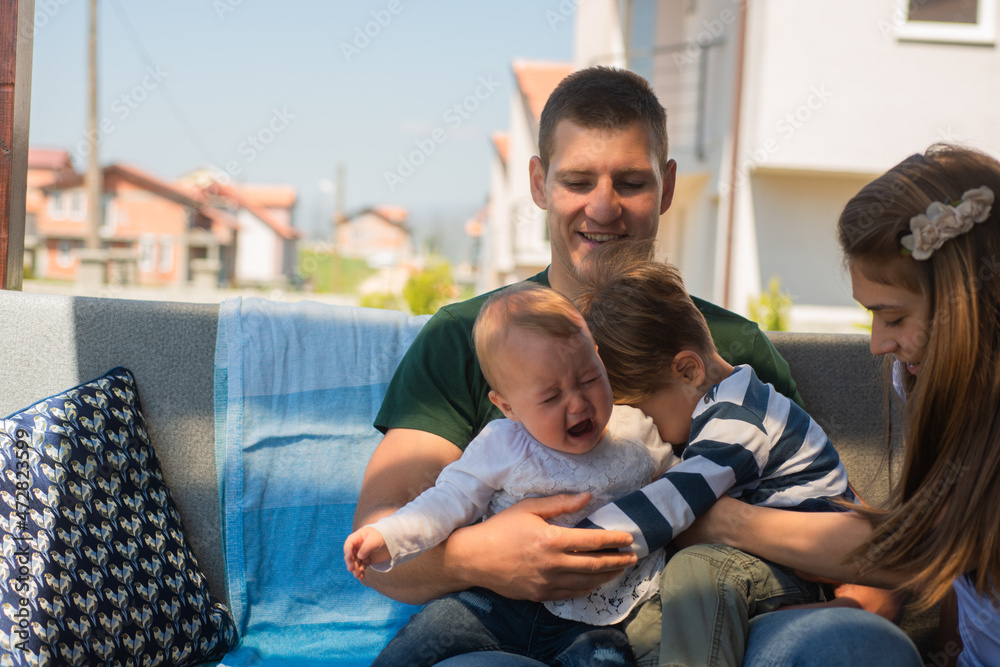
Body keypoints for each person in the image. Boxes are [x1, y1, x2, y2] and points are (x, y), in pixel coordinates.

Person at [354, 66, 892, 666]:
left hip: (667, 624)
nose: (604, 208)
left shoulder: (726, 347)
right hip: (497, 625)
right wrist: (476, 557)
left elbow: (851, 534)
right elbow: (383, 546)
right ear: (538, 182)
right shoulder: (467, 337)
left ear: (666, 187)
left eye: (630, 182)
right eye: (578, 179)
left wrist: (719, 525)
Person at [680, 144, 1000, 665]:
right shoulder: (929, 380)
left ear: (969, 304)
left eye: (893, 318)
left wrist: (720, 520)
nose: (876, 343)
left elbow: (914, 550)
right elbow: (955, 580)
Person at [346, 283, 677, 666]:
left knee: (607, 659)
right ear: (508, 406)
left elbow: (681, 487)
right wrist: (386, 535)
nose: (578, 403)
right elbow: (444, 502)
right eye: (551, 397)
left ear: (599, 360)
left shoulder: (635, 433)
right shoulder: (501, 445)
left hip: (602, 615)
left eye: (589, 378)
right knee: (423, 637)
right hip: (499, 603)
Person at [570, 240, 856, 666]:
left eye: (645, 411)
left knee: (697, 572)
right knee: (649, 619)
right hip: (756, 568)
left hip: (797, 574)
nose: (646, 428)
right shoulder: (724, 406)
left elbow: (677, 498)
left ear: (689, 370)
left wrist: (584, 539)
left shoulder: (740, 417)